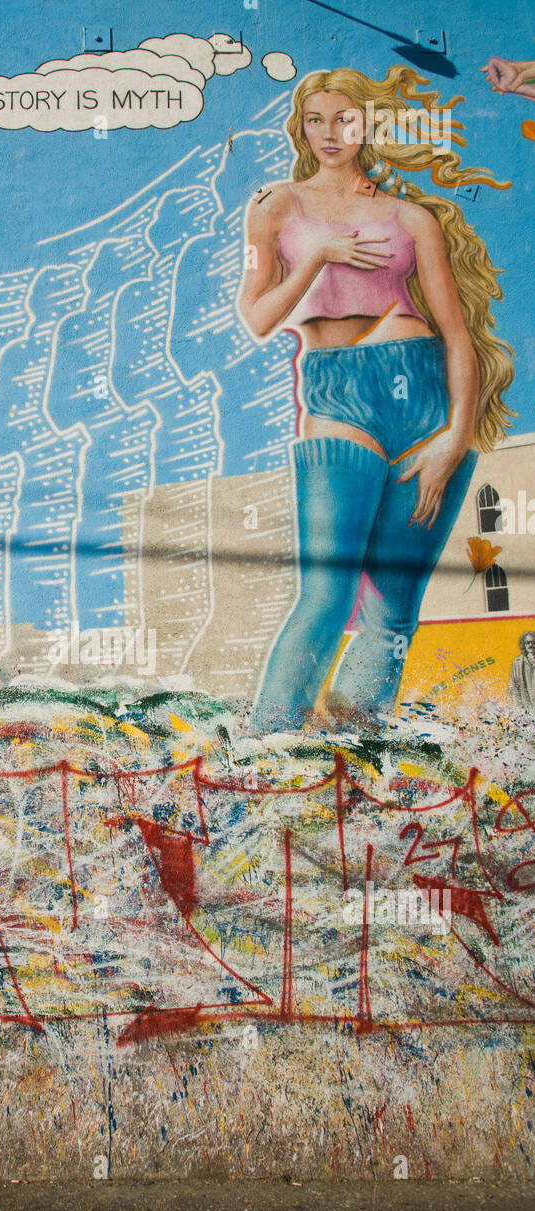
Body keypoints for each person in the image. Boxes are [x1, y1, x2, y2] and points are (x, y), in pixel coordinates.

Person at [239, 65, 514, 731]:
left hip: (425, 398)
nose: (330, 132)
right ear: (301, 127)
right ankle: (267, 746)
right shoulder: (274, 205)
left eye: (344, 119)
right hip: (338, 396)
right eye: (316, 120)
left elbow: (457, 336)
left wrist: (455, 438)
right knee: (327, 595)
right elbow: (256, 317)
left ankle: (354, 746)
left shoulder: (411, 217)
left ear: (368, 125)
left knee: (395, 605)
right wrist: (319, 256)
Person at [509, 632, 535, 708]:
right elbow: (513, 686)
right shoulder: (517, 663)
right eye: (528, 643)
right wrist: (519, 706)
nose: (531, 645)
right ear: (524, 645)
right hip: (526, 707)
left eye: (533, 642)